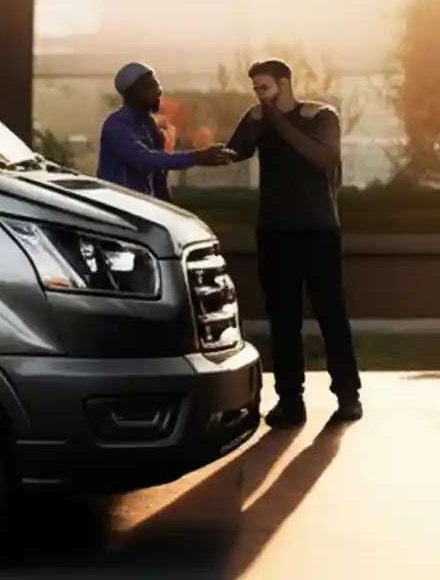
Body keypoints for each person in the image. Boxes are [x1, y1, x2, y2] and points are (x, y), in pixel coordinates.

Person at [224, 58, 363, 426]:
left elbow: (323, 157)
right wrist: (251, 124)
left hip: (318, 229)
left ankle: (348, 395)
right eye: (255, 89)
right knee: (282, 320)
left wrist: (275, 119)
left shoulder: (321, 116)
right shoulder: (261, 118)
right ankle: (290, 400)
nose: (259, 95)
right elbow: (234, 152)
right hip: (274, 231)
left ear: (284, 84)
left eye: (264, 87)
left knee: (331, 313)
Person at [97, 62, 236, 200]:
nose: (159, 91)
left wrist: (168, 207)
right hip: (116, 208)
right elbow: (144, 159)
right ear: (133, 93)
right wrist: (197, 157)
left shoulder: (149, 124)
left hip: (141, 206)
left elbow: (159, 173)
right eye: (150, 87)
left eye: (157, 85)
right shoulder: (116, 125)